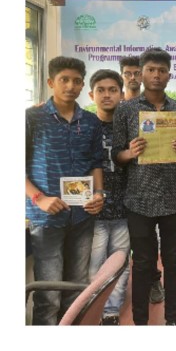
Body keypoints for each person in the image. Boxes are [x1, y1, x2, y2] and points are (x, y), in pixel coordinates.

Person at [113, 47, 176, 326]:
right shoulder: (125, 110)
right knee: (144, 263)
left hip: (172, 196)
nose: (156, 75)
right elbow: (116, 155)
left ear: (169, 75)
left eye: (162, 70)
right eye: (151, 70)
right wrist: (130, 152)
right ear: (141, 73)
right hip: (138, 197)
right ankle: (140, 324)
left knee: (173, 261)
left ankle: (173, 320)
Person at [25, 57, 106, 326]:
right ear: (51, 82)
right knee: (48, 294)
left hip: (82, 216)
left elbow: (96, 163)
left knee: (76, 287)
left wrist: (99, 194)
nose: (70, 86)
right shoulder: (32, 118)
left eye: (76, 81)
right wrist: (40, 198)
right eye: (64, 80)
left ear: (83, 85)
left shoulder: (91, 121)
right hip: (47, 219)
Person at [88, 69, 130, 326]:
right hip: (93, 210)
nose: (107, 95)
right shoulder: (84, 126)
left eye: (113, 90)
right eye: (101, 90)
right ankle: (94, 310)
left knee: (121, 263)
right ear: (91, 94)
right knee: (94, 266)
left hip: (125, 208)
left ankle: (112, 312)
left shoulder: (128, 127)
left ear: (122, 94)